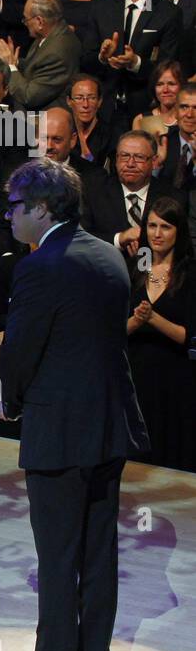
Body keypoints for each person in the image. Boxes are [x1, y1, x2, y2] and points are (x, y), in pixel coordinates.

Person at [0, 158, 148, 651]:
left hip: (59, 432)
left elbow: (22, 349)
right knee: (98, 554)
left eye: (14, 206)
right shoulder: (109, 256)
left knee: (57, 559)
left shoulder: (40, 266)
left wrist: (9, 400)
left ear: (41, 208)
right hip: (109, 429)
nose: (8, 216)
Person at [81, 0, 181, 142]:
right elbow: (84, 61)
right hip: (103, 107)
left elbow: (167, 69)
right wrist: (101, 58)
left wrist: (134, 62)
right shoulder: (101, 7)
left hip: (144, 107)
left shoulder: (168, 14)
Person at [126, 198, 196, 472]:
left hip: (176, 377)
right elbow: (113, 330)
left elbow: (189, 336)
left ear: (178, 231)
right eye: (152, 225)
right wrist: (136, 320)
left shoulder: (190, 274)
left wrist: (153, 318)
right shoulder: (134, 269)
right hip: (135, 375)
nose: (157, 234)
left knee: (172, 454)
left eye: (165, 227)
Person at [82, 131, 187, 258]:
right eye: (124, 156)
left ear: (154, 162)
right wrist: (119, 239)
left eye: (139, 157)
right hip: (105, 271)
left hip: (155, 272)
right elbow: (81, 238)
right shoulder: (93, 192)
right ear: (116, 159)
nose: (130, 164)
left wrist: (150, 252)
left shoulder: (173, 198)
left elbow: (183, 247)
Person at [0, 0, 83, 111]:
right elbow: (37, 66)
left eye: (26, 19)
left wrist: (10, 65)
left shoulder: (56, 53)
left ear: (39, 21)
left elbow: (28, 97)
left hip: (46, 115)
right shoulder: (51, 33)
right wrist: (15, 61)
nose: (24, 23)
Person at [131, 59, 182, 132]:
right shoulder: (141, 120)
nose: (165, 90)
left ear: (182, 86)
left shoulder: (190, 119)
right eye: (159, 84)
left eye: (171, 84)